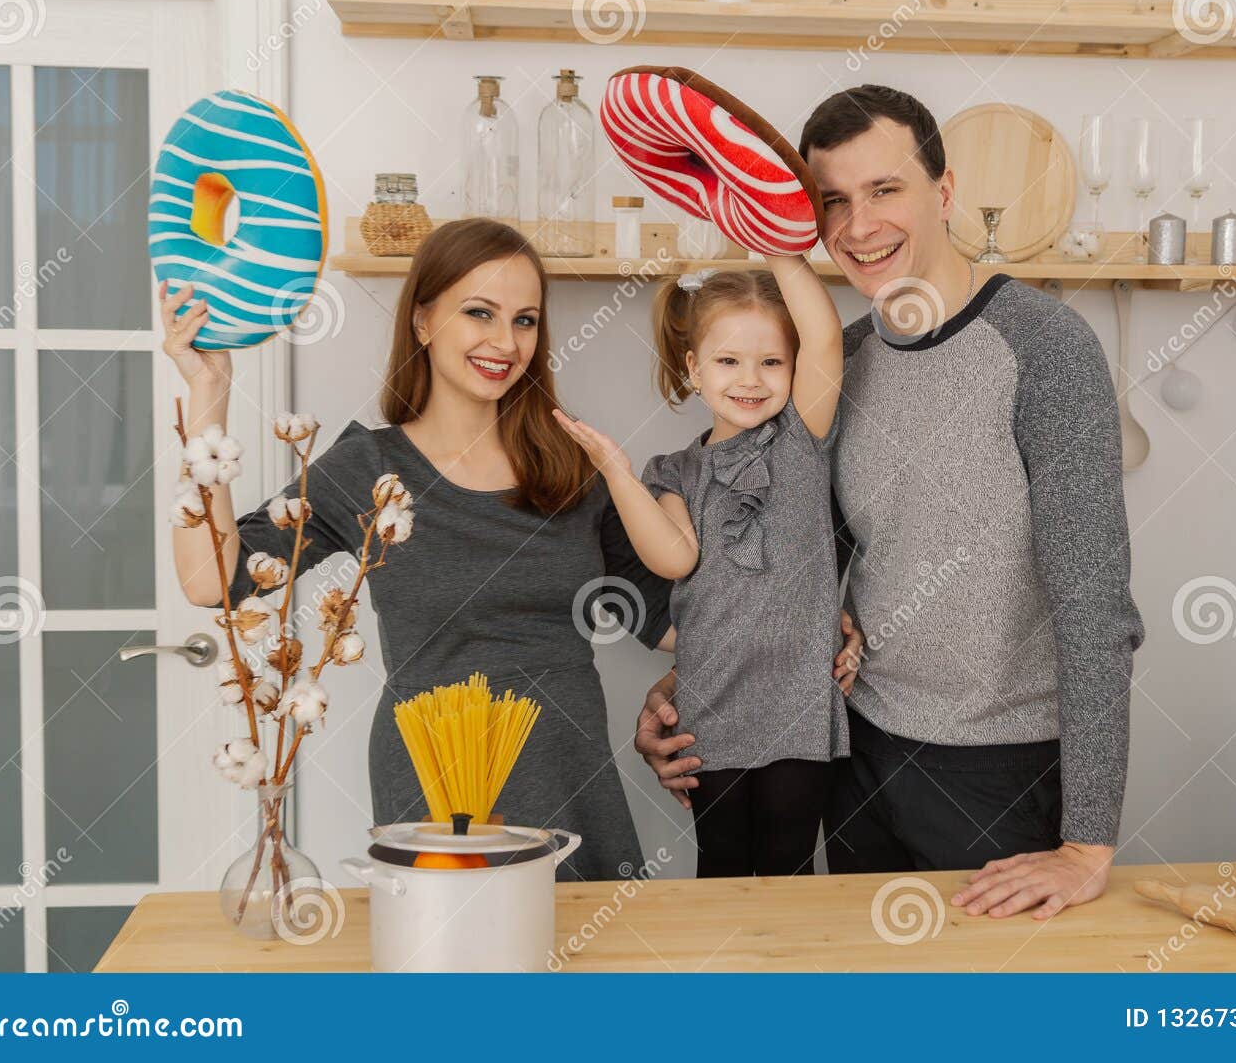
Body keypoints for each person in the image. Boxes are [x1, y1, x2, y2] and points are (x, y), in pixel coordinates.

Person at [636, 85, 1146, 918]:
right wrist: (686, 691)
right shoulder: (845, 362)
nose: (858, 225)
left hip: (997, 767)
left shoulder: (1043, 348)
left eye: (884, 190)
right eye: (833, 201)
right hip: (850, 749)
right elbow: (785, 563)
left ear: (943, 194)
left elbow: (1095, 605)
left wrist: (1088, 844)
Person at [163, 217, 679, 881]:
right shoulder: (367, 469)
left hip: (570, 781)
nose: (505, 341)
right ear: (424, 321)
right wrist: (209, 397)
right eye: (479, 313)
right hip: (435, 790)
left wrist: (806, 621)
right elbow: (213, 580)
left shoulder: (574, 470)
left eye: (525, 320)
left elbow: (671, 620)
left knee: (596, 982)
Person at [553, 256, 856, 877]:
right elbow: (674, 555)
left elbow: (825, 331)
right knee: (719, 867)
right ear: (693, 368)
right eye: (728, 361)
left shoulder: (804, 438)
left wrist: (771, 235)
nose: (751, 379)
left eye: (771, 361)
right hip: (712, 703)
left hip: (797, 704)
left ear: (796, 369)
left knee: (787, 867)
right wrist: (616, 469)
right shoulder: (674, 472)